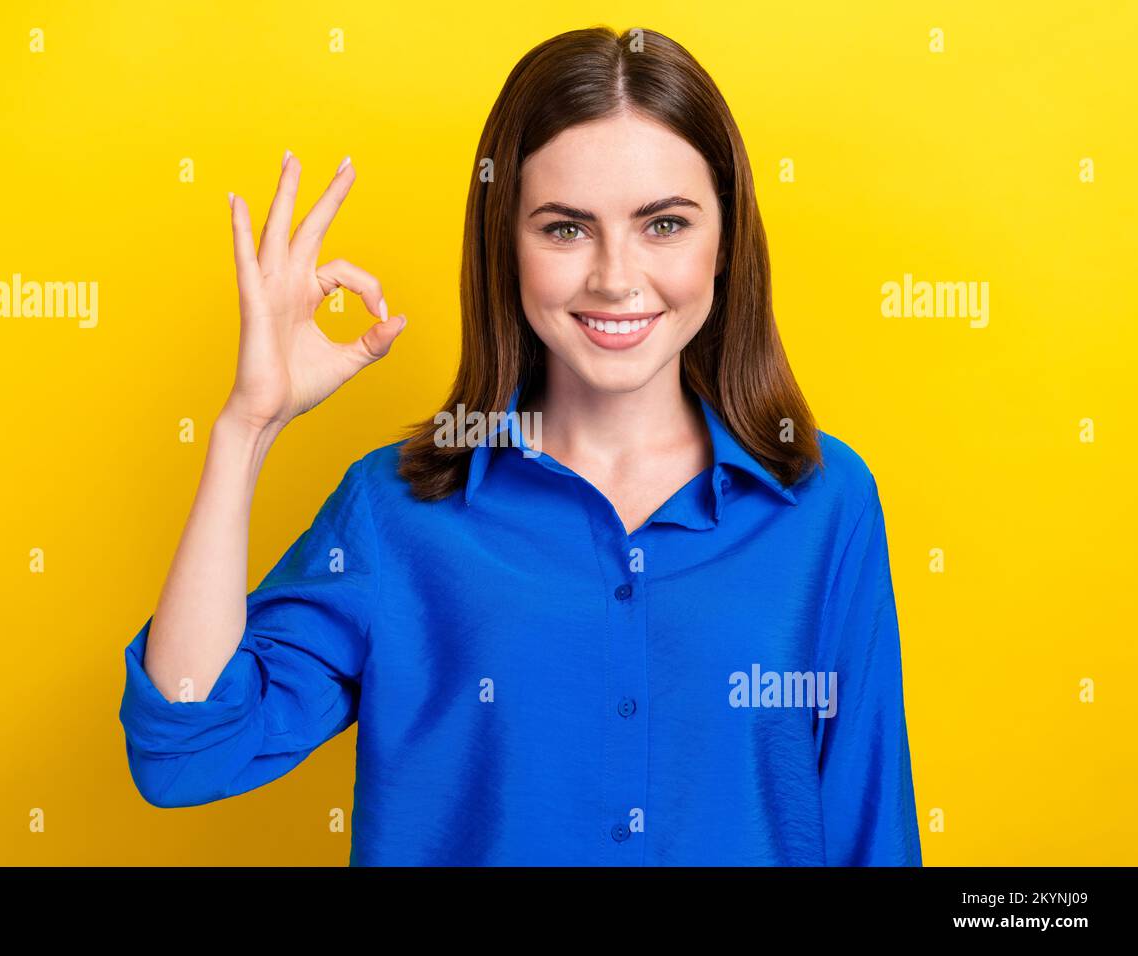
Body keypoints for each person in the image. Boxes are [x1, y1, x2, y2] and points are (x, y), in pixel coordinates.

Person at [118, 26, 923, 866]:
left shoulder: (826, 505)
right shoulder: (395, 514)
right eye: (566, 229)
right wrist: (249, 426)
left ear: (725, 240)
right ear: (507, 243)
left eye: (665, 224)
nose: (616, 277)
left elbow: (872, 830)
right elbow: (186, 751)